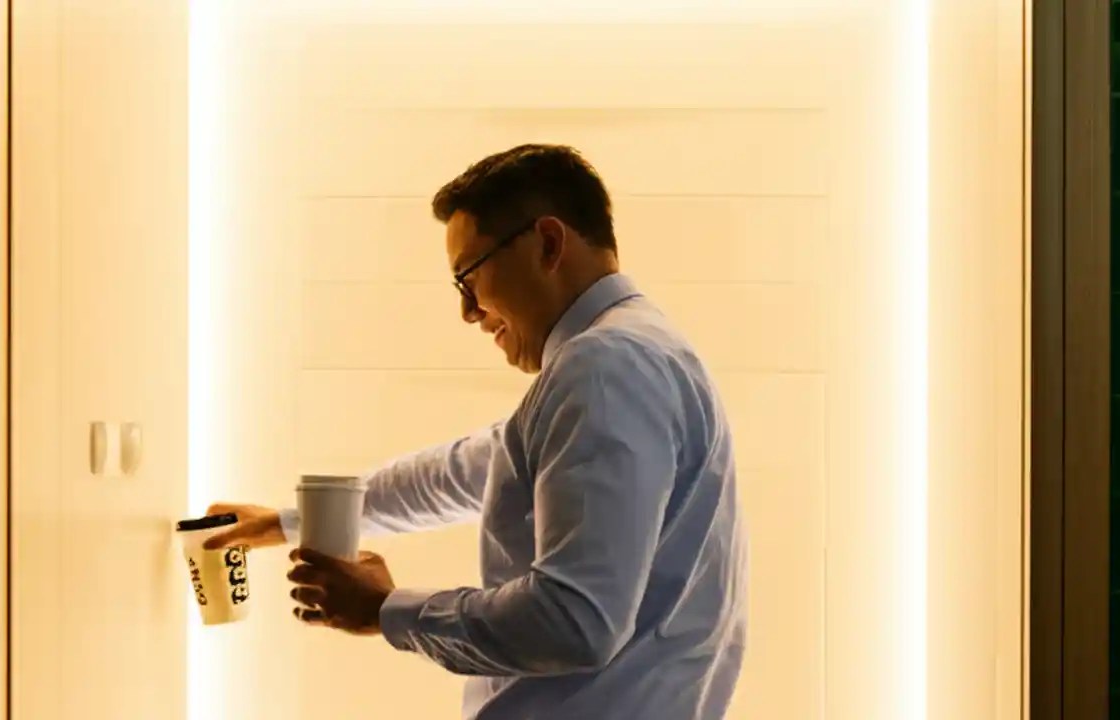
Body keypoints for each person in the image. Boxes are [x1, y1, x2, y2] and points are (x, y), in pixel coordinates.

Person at [204, 144, 748, 719]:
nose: (468, 311)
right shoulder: (630, 355)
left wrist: (386, 610)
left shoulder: (605, 367)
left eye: (468, 277)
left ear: (548, 244)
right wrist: (285, 523)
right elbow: (456, 474)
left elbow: (575, 622)